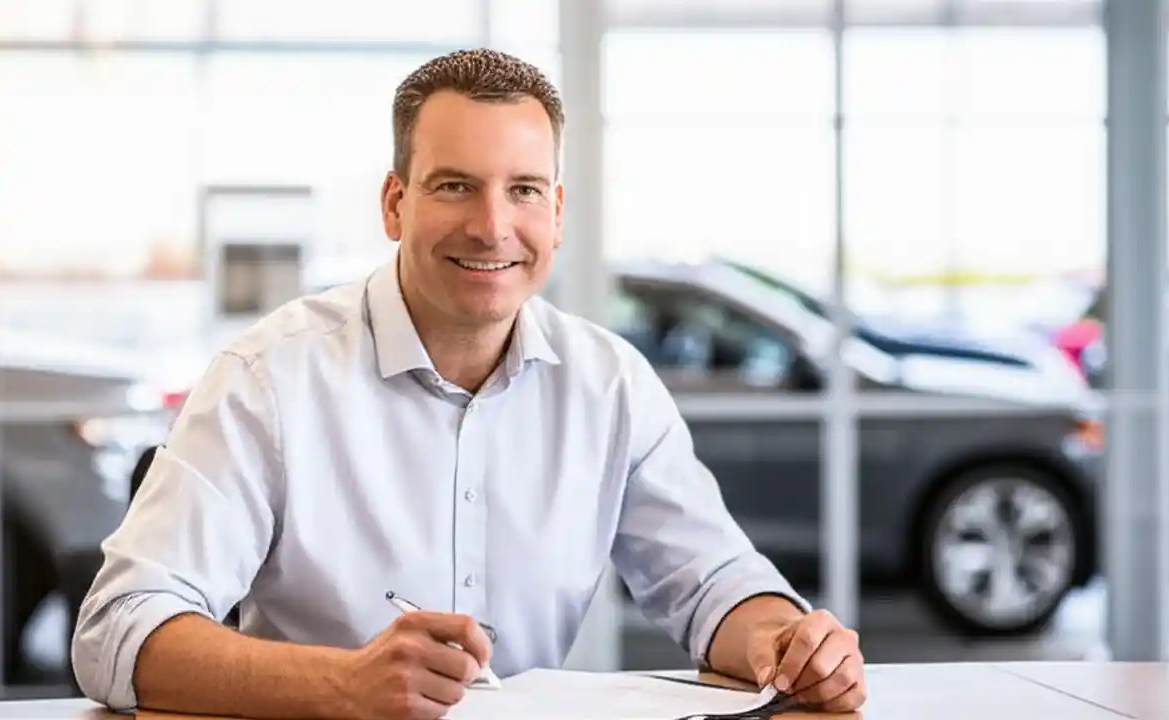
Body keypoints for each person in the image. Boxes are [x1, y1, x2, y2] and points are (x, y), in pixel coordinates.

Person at [71, 48, 866, 720]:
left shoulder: (611, 385)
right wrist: (345, 685)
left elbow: (716, 584)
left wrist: (784, 643)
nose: (492, 227)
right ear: (395, 205)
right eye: (454, 185)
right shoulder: (268, 379)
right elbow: (117, 628)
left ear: (556, 212)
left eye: (524, 190)